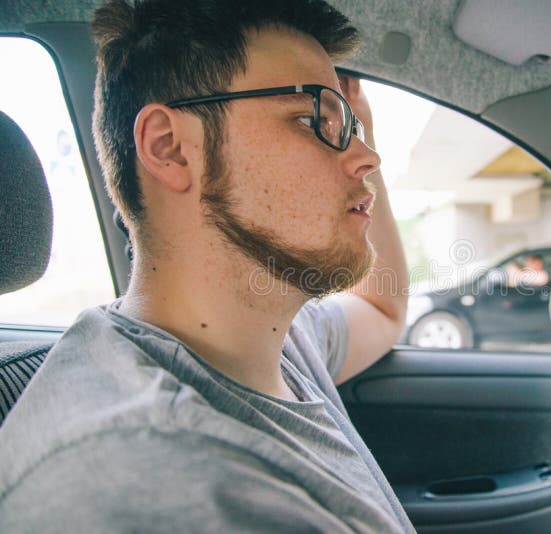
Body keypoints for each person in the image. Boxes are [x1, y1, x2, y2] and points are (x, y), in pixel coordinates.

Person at [0, 0, 413, 531]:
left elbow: (383, 308)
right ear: (170, 148)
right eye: (315, 119)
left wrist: (356, 133)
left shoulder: (279, 341)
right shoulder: (145, 484)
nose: (366, 158)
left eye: (353, 129)